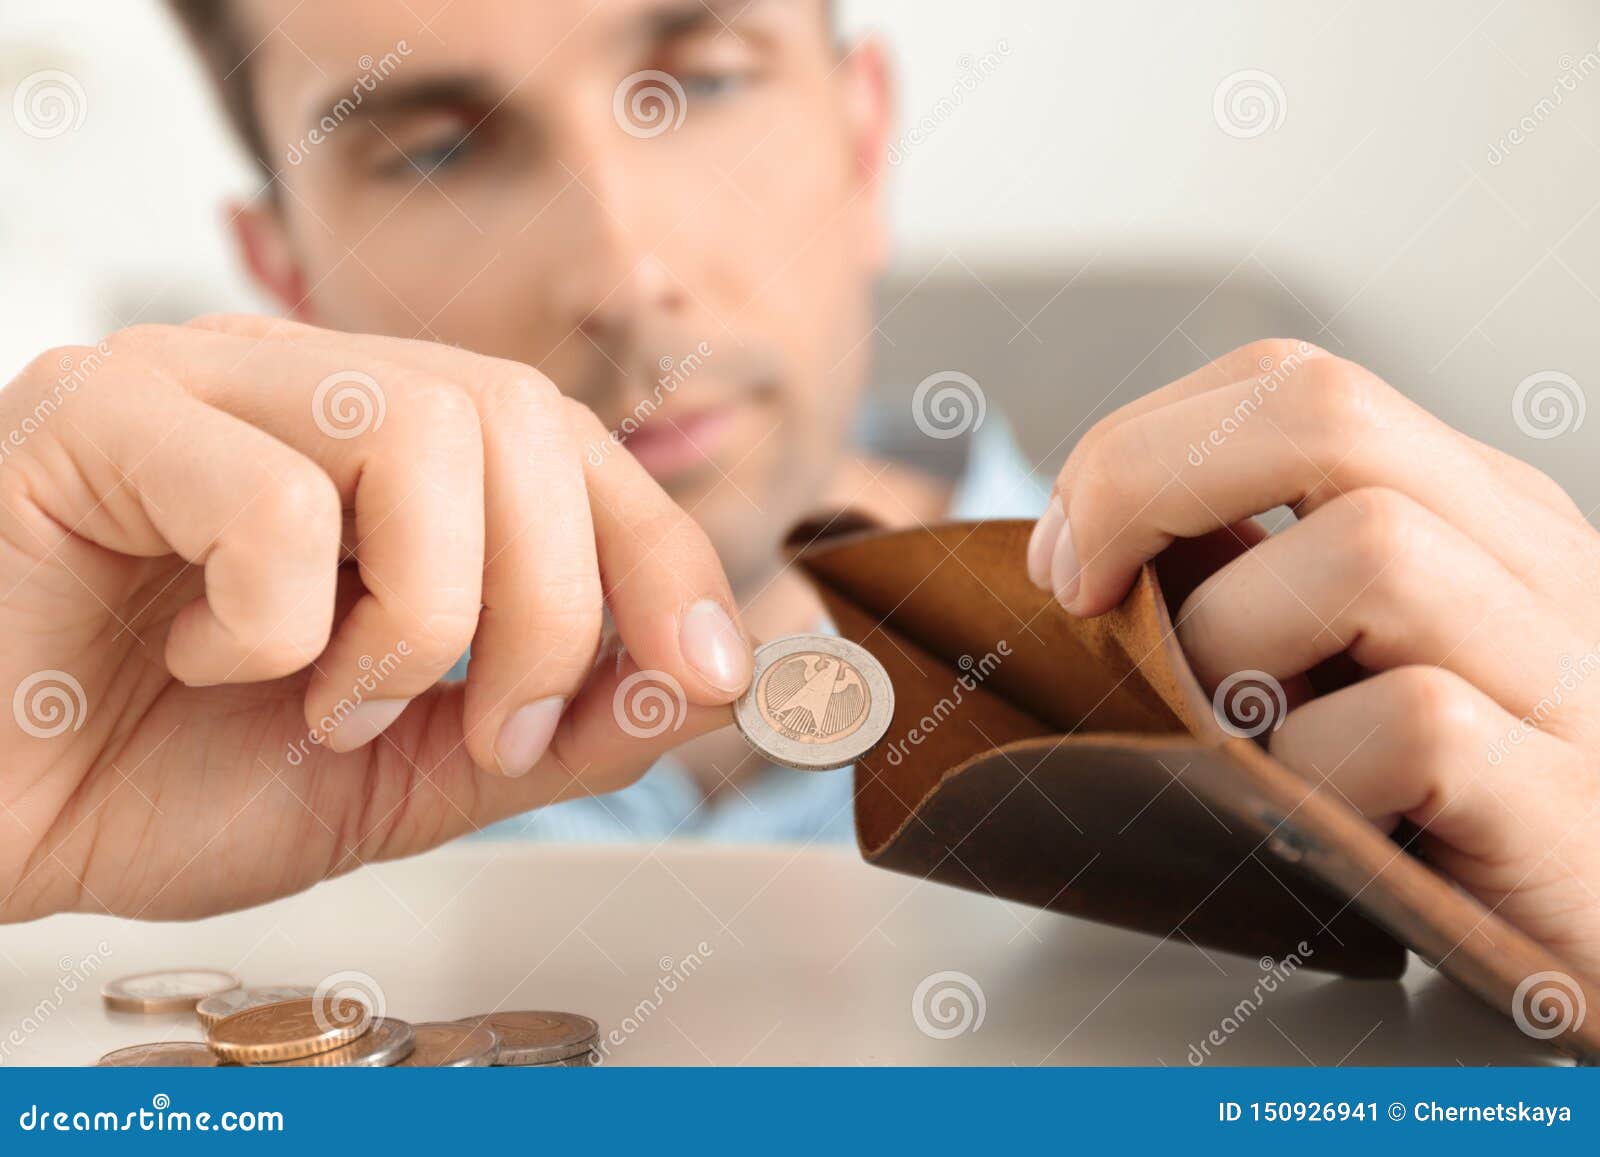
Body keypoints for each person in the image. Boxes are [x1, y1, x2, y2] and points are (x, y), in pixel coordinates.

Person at [2, 0, 1597, 985]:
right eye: (433, 151)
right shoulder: (142, 740)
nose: (626, 272)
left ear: (862, 140)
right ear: (282, 275)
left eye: (693, 76)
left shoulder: (1396, 698)